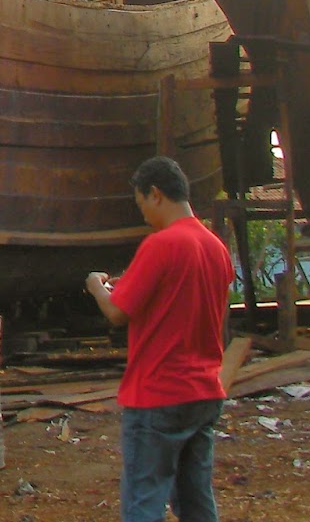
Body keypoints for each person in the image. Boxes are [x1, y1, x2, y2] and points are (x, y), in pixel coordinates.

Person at [85, 155, 233, 522]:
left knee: (144, 501)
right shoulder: (216, 248)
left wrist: (96, 288)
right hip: (203, 390)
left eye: (141, 205)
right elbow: (194, 301)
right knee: (196, 500)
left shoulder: (160, 245)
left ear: (155, 195)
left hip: (157, 394)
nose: (143, 215)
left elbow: (117, 313)